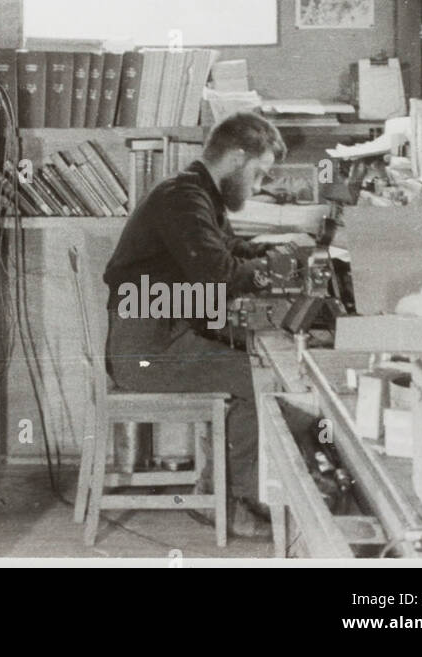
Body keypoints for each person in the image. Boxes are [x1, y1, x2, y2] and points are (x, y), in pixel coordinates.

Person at [101, 110, 286, 537]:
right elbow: (218, 273)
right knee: (260, 380)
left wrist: (265, 251)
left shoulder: (196, 192)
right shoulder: (183, 197)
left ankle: (221, 491)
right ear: (238, 157)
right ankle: (235, 503)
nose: (258, 187)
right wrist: (275, 269)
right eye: (258, 174)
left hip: (163, 340)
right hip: (145, 355)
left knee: (253, 364)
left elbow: (222, 247)